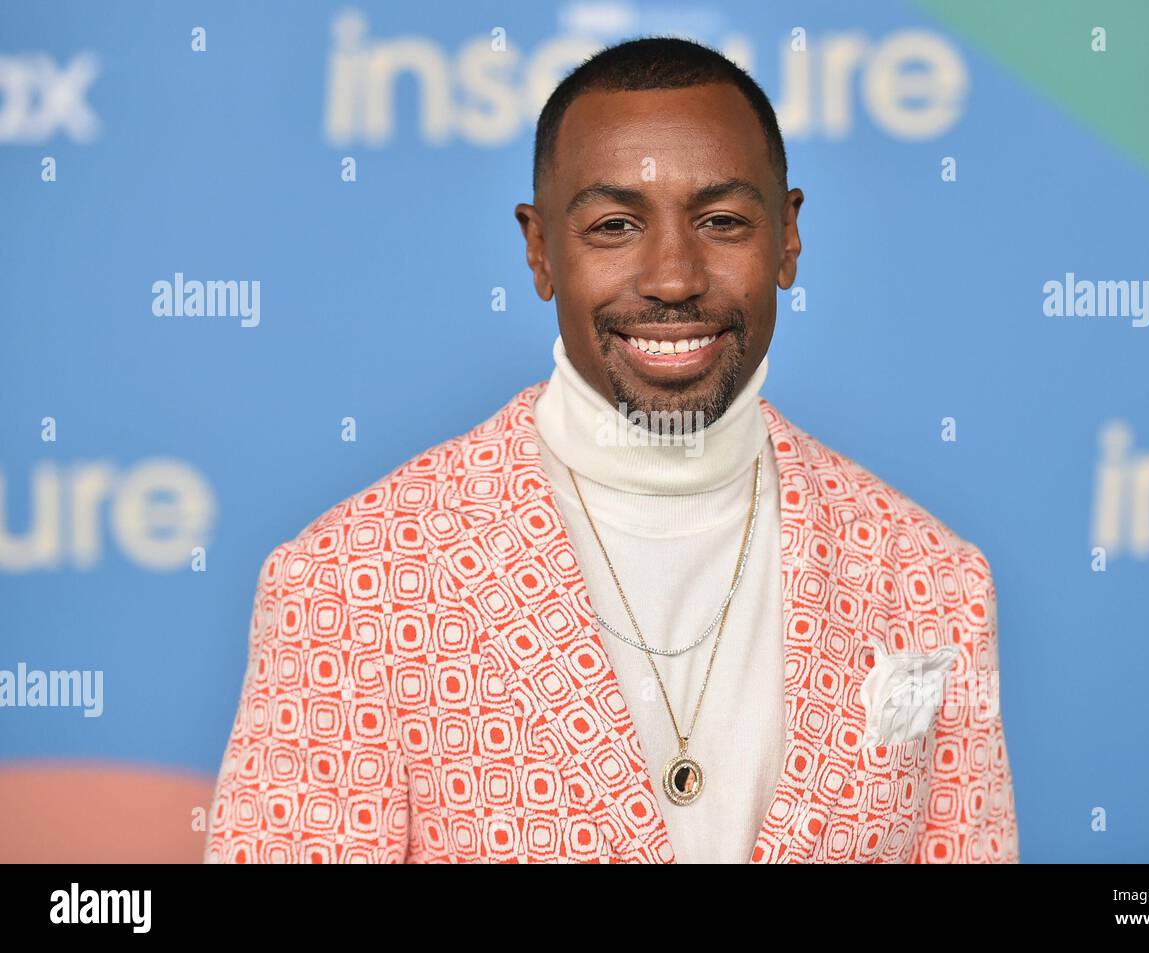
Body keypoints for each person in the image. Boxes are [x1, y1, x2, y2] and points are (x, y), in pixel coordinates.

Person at [204, 35, 1018, 864]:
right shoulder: (353, 584)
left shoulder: (933, 580)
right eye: (616, 225)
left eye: (723, 220)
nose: (673, 278)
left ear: (788, 239)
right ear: (539, 250)